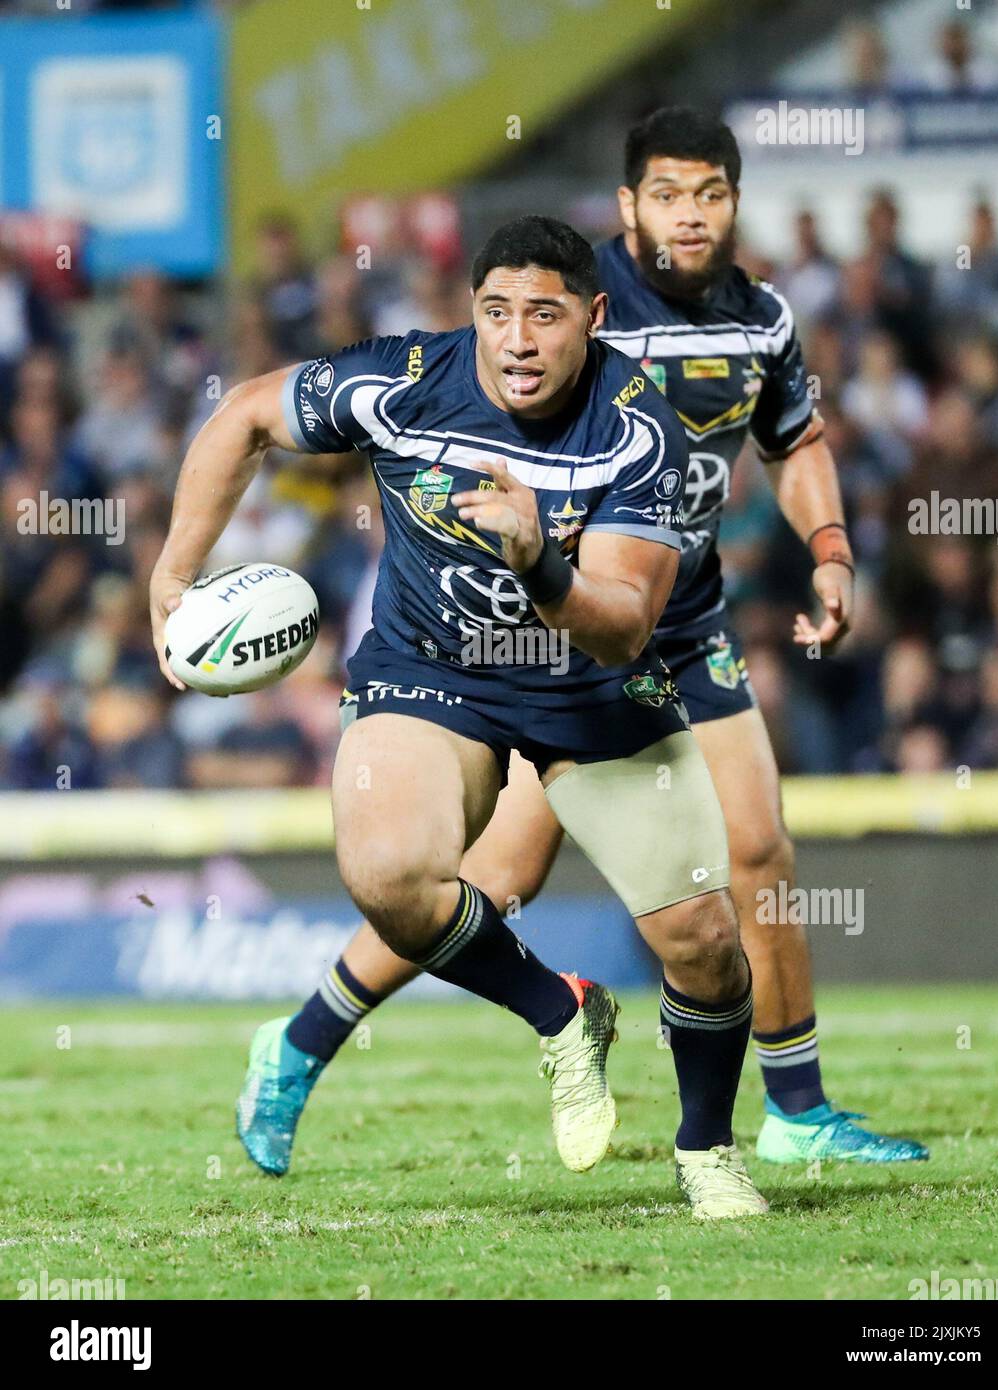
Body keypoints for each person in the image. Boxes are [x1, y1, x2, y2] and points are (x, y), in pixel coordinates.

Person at [260, 109, 929, 1172]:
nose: (689, 214)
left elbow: (794, 439)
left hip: (682, 618)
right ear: (627, 208)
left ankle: (793, 1106)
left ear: (734, 202)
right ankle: (303, 1039)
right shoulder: (566, 299)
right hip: (553, 635)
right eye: (666, 193)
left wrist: (832, 551)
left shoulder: (759, 319)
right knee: (495, 876)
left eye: (709, 193)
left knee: (758, 853)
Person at [150, 215, 768, 1220]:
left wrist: (538, 560)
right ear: (467, 314)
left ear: (592, 317)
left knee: (698, 935)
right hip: (435, 672)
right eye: (495, 313)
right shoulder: (398, 381)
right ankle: (558, 1014)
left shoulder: (643, 431)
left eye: (543, 314)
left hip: (595, 689)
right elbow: (247, 418)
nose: (517, 339)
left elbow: (616, 630)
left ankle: (705, 1148)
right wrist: (174, 571)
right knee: (390, 873)